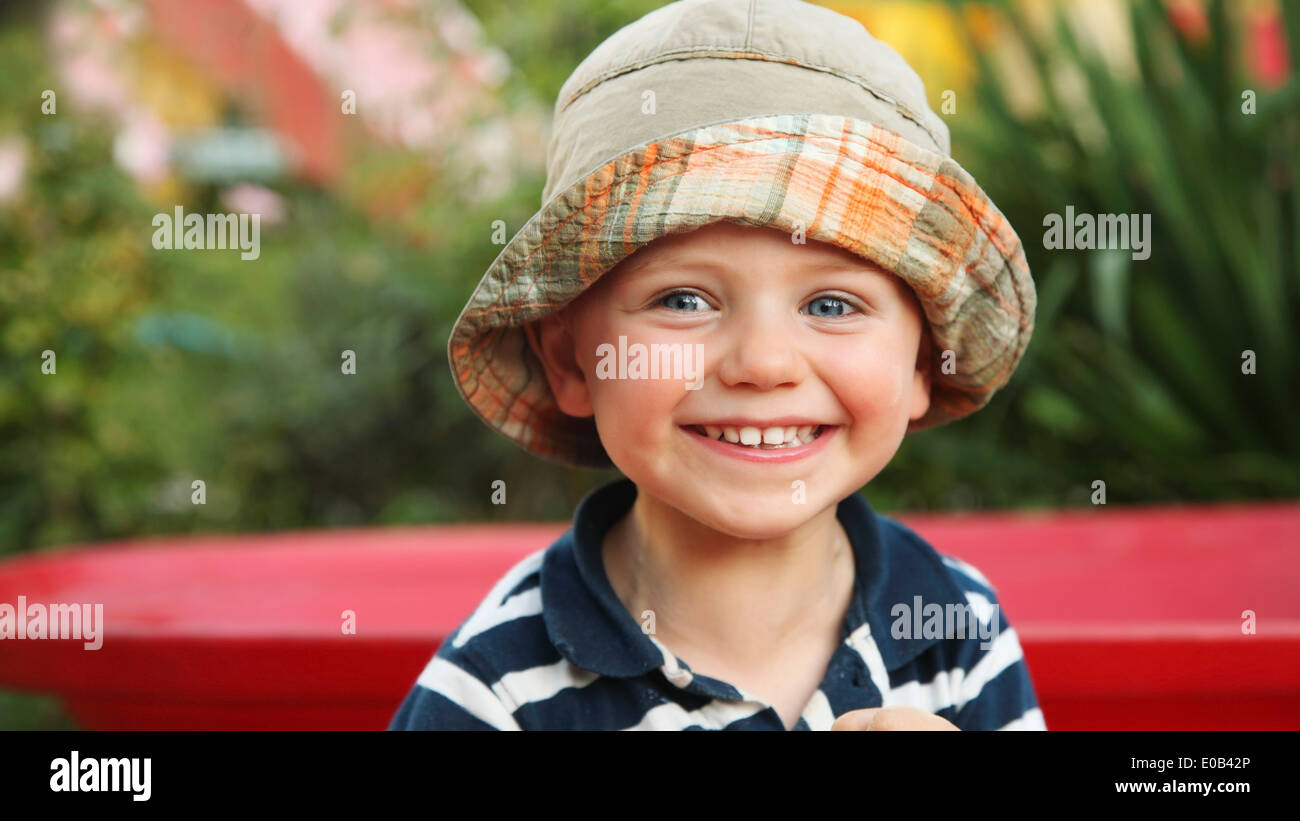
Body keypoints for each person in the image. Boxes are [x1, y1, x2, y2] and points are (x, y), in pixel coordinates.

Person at [390, 0, 1044, 730]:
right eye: (682, 298)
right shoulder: (497, 687)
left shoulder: (952, 627)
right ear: (572, 362)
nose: (762, 363)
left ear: (923, 361)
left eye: (832, 305)